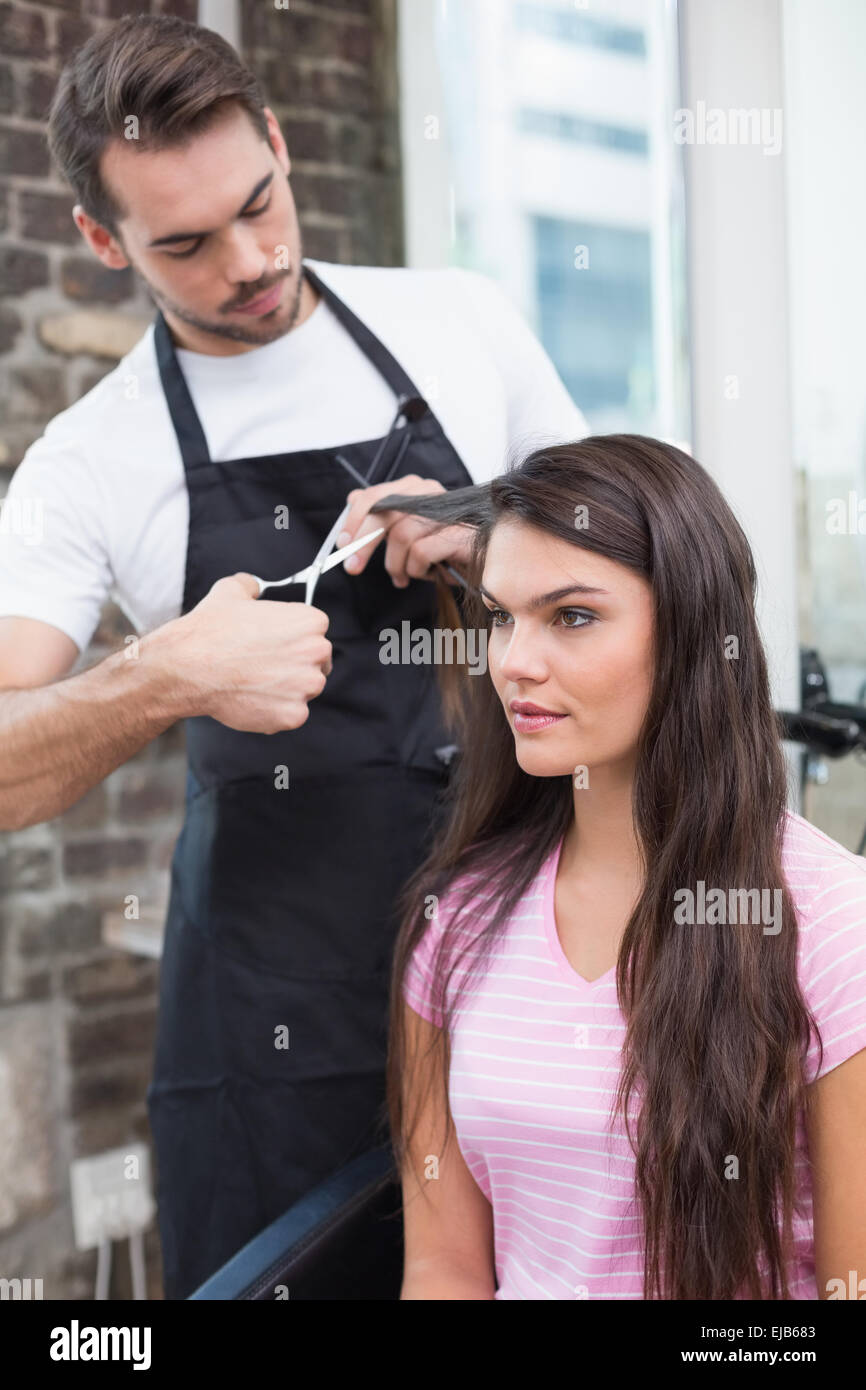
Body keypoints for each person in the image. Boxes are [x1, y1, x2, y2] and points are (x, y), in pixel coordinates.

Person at [0, 15, 588, 1298]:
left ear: (275, 142)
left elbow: (633, 564)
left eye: (260, 205)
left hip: (521, 965)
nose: (253, 261)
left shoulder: (461, 324)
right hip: (277, 1036)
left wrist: (489, 532)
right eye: (186, 245)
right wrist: (166, 673)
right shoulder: (92, 463)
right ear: (104, 245)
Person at [378, 435, 866, 1299]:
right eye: (500, 616)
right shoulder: (458, 921)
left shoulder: (831, 923)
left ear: (691, 633)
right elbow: (443, 1272)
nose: (514, 661)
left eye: (571, 616)